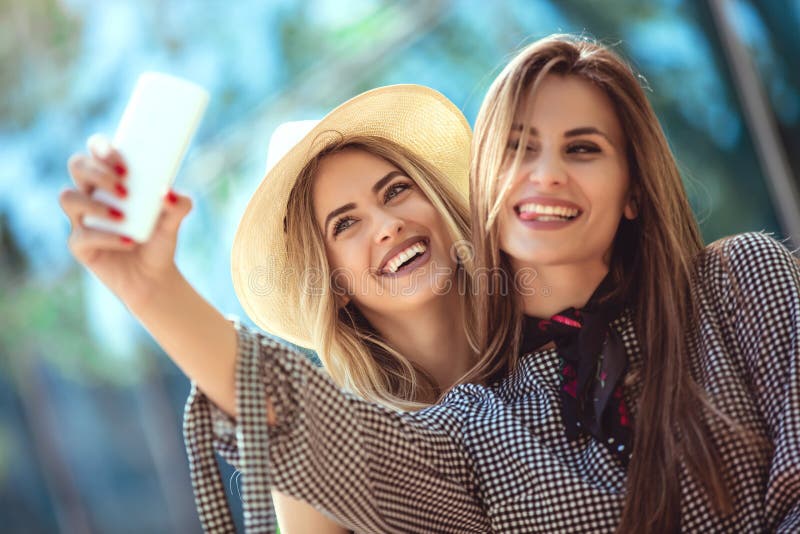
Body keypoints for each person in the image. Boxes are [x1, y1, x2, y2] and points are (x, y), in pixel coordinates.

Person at [59, 85, 480, 532]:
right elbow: (279, 403)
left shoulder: (554, 331)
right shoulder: (330, 452)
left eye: (395, 191)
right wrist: (151, 291)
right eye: (347, 223)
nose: (388, 224)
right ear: (332, 285)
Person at [464, 34, 800, 531]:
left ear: (633, 193)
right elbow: (341, 448)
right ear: (483, 181)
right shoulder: (474, 422)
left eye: (581, 148)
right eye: (519, 147)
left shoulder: (739, 280)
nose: (547, 173)